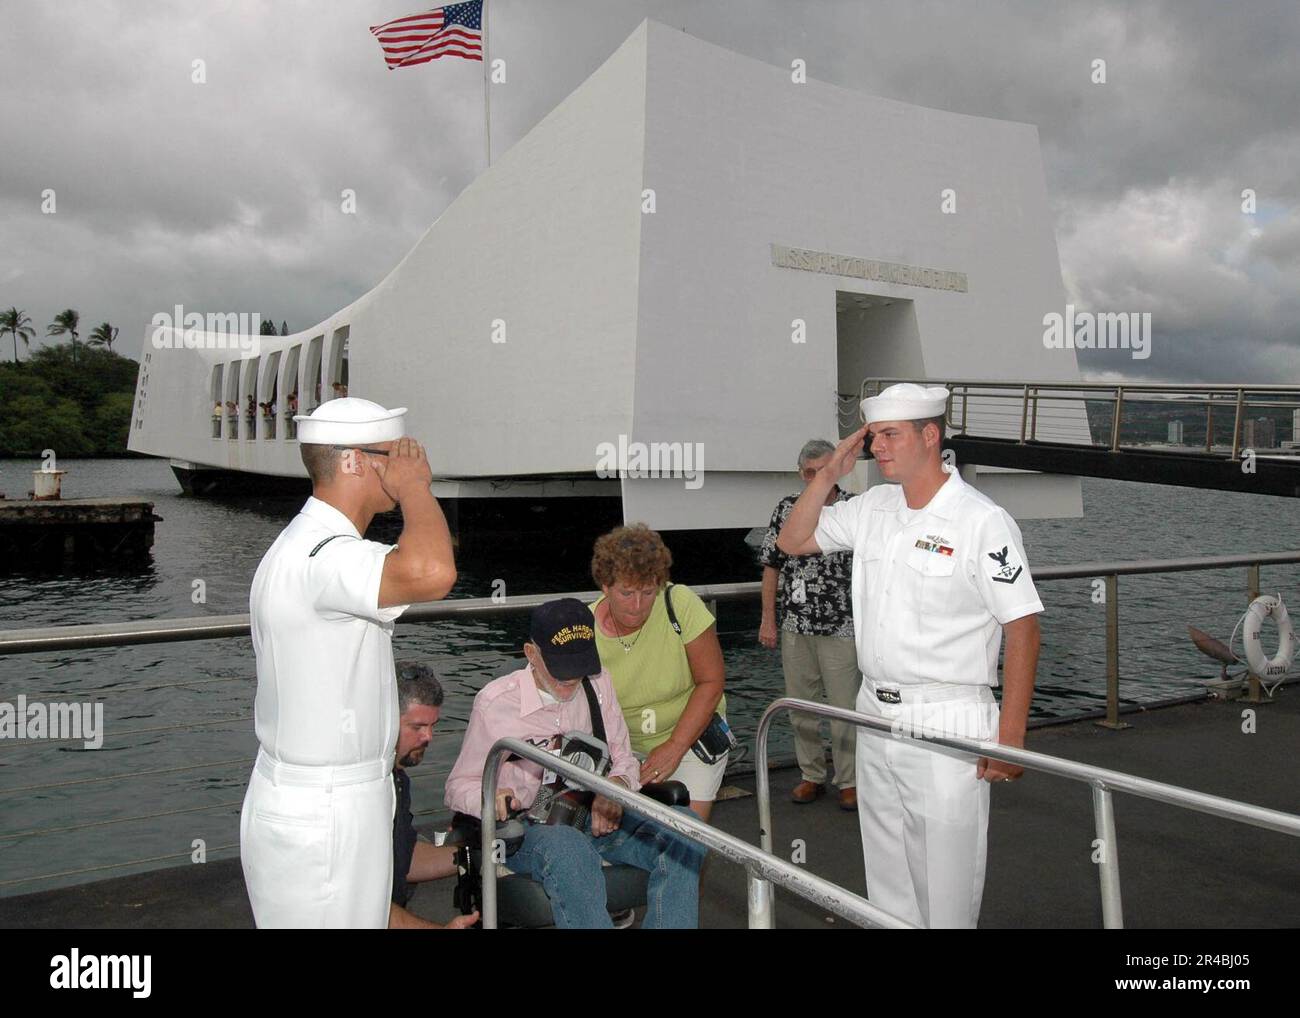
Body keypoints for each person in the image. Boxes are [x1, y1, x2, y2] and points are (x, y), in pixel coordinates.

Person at [777, 383, 1043, 929]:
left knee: (944, 886)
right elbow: (793, 541)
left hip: (947, 717)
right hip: (874, 711)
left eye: (890, 435)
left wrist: (1010, 736)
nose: (877, 448)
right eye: (873, 437)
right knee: (888, 880)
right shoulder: (873, 507)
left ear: (930, 435)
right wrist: (829, 473)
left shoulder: (980, 520)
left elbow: (1023, 624)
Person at [240, 396, 458, 928]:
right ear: (354, 461)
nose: (407, 461)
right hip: (325, 809)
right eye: (394, 453)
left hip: (332, 799)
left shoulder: (307, 544)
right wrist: (415, 488)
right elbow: (433, 570)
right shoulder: (324, 556)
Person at [444, 598, 706, 929]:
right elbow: (457, 786)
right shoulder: (495, 703)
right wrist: (488, 797)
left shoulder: (598, 683)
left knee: (686, 830)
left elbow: (623, 757)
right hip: (525, 829)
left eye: (580, 664)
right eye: (560, 667)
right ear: (531, 653)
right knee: (569, 847)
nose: (572, 678)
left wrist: (615, 788)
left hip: (589, 816)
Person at [589, 525, 727, 821]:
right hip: (621, 750)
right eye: (627, 592)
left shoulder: (680, 603)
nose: (638, 605)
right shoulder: (584, 630)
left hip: (692, 735)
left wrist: (676, 746)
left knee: (688, 838)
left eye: (648, 592)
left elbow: (711, 682)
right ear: (605, 585)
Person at [759, 439, 860, 810]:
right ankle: (811, 775)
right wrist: (769, 619)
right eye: (809, 472)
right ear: (801, 474)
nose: (816, 478)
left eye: (823, 470)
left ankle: (849, 780)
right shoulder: (787, 509)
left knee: (844, 707)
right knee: (801, 706)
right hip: (796, 625)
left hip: (842, 626)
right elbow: (771, 566)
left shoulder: (853, 509)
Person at [388, 661, 477, 929]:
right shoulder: (361, 794)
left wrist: (485, 850)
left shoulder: (397, 777)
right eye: (417, 727)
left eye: (433, 725)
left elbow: (404, 857)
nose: (429, 737)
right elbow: (361, 903)